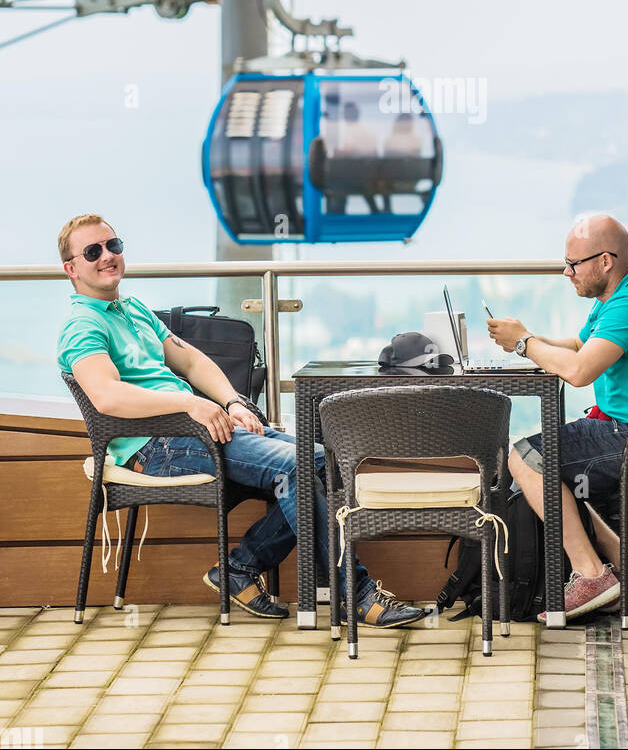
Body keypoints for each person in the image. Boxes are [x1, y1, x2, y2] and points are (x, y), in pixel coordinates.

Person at [56, 213, 424, 628]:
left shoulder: (132, 308)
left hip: (194, 429)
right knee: (299, 466)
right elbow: (106, 396)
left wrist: (231, 402)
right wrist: (189, 406)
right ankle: (354, 594)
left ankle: (241, 568)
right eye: (93, 252)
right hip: (155, 446)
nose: (107, 256)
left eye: (113, 245)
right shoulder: (82, 324)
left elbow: (192, 360)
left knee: (323, 459)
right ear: (72, 268)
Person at [488, 213, 628, 621]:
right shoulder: (619, 297)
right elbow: (579, 344)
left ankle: (591, 575)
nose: (566, 271)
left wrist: (524, 344)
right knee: (555, 468)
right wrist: (526, 339)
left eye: (574, 263)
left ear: (605, 261)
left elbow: (578, 371)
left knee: (523, 457)